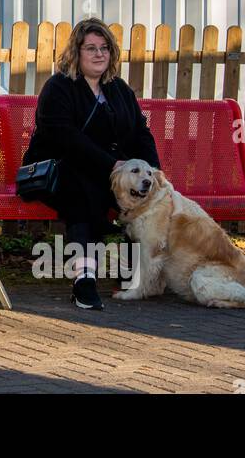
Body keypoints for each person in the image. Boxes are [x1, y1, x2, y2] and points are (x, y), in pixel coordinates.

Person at [20, 18, 161, 311]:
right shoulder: (59, 87)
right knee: (84, 187)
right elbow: (64, 138)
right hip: (56, 171)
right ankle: (84, 277)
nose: (99, 54)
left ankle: (135, 272)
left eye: (104, 48)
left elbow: (140, 132)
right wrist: (113, 166)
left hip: (108, 172)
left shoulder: (118, 89)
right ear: (76, 52)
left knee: (142, 191)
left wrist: (153, 171)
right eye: (91, 48)